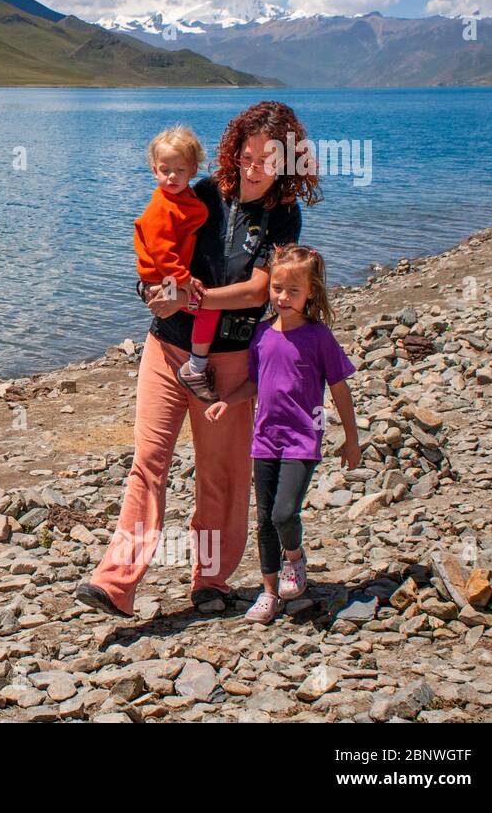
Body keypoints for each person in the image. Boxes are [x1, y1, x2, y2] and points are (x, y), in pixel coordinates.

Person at [76, 101, 321, 618]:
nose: (253, 169)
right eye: (246, 157)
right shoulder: (201, 192)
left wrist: (196, 299)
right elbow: (154, 248)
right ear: (233, 151)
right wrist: (152, 292)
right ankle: (115, 582)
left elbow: (259, 290)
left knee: (223, 474)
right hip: (167, 347)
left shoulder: (282, 215)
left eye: (267, 161)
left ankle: (211, 580)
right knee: (148, 463)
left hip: (231, 361)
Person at [205, 244, 360, 622]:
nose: (283, 297)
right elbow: (256, 383)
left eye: (293, 290)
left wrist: (351, 438)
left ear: (311, 293)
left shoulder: (318, 336)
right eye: (277, 288)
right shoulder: (260, 334)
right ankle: (270, 592)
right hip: (265, 440)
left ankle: (296, 559)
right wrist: (228, 400)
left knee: (284, 513)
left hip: (303, 439)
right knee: (264, 520)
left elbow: (339, 386)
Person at [133, 126, 221, 402]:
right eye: (164, 169)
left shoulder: (184, 198)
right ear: (154, 169)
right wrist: (183, 280)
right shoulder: (162, 207)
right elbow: (162, 253)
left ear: (193, 170)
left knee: (202, 308)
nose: (172, 176)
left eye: (180, 170)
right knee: (207, 310)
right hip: (163, 279)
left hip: (170, 276)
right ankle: (195, 367)